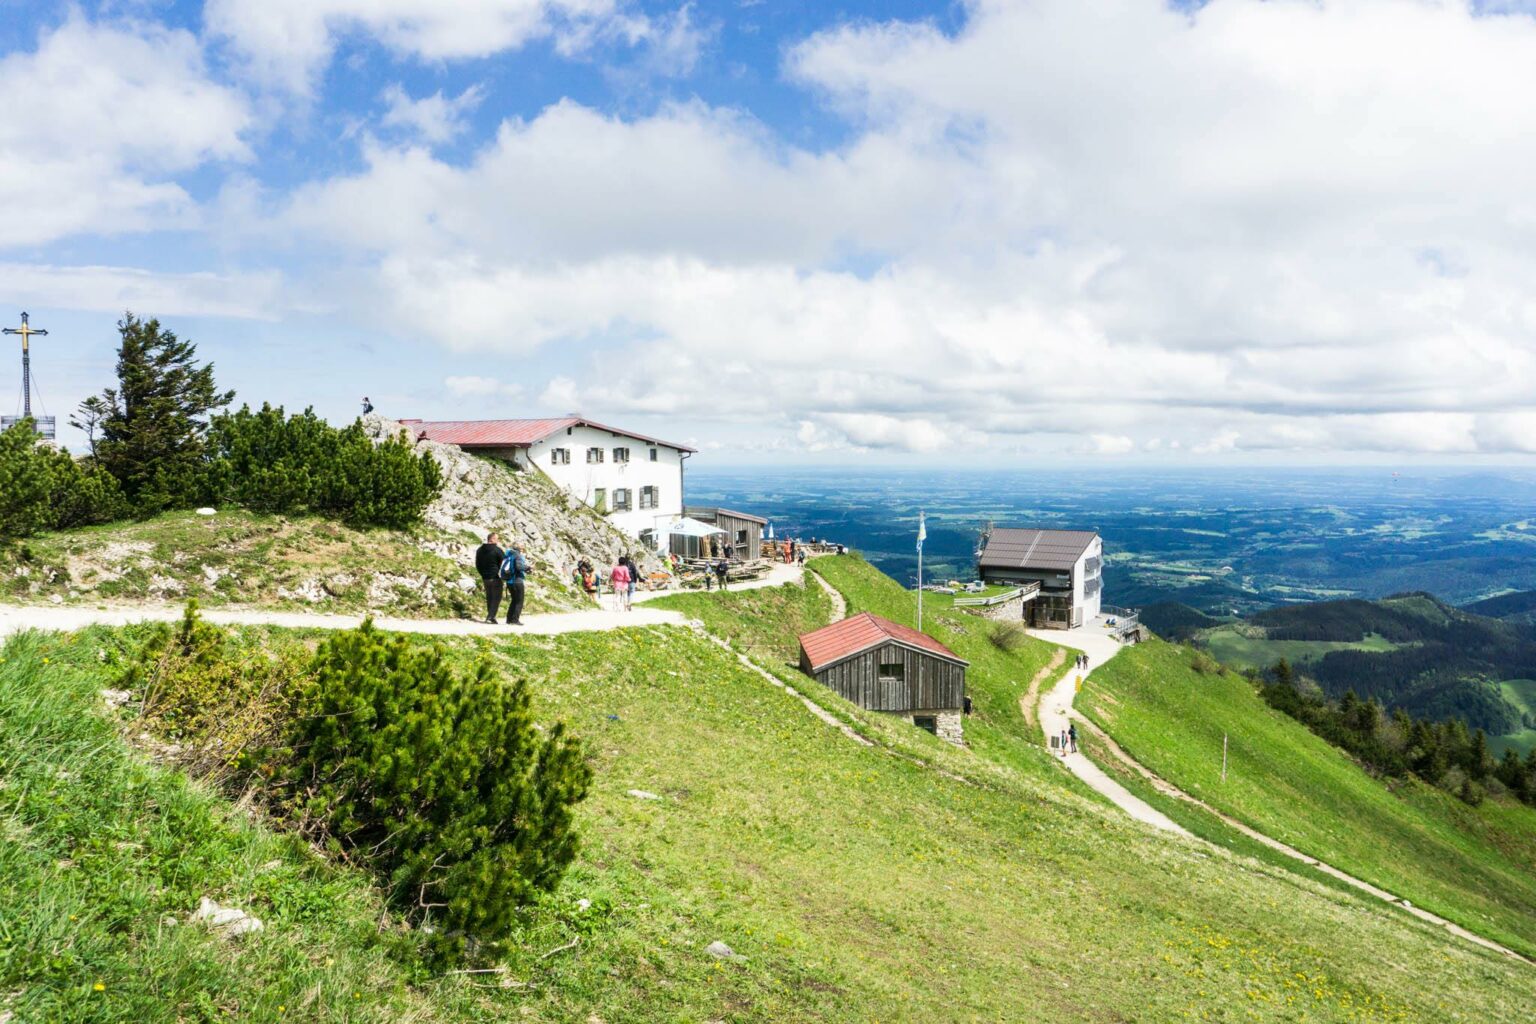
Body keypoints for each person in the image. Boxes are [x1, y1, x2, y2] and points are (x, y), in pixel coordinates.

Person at [475, 531, 505, 624]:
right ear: (492, 539)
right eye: (497, 538)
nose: (498, 540)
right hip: (495, 577)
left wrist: (482, 574)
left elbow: (477, 564)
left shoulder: (479, 550)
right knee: (496, 597)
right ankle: (490, 617)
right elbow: (504, 562)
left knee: (489, 597)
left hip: (485, 578)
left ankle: (491, 616)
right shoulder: (497, 550)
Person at [500, 542, 530, 625]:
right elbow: (519, 567)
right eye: (522, 547)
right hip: (517, 581)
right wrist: (528, 567)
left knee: (514, 600)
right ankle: (515, 620)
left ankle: (509, 619)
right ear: (519, 548)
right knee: (519, 601)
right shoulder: (517, 555)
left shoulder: (509, 554)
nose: (523, 548)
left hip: (509, 581)